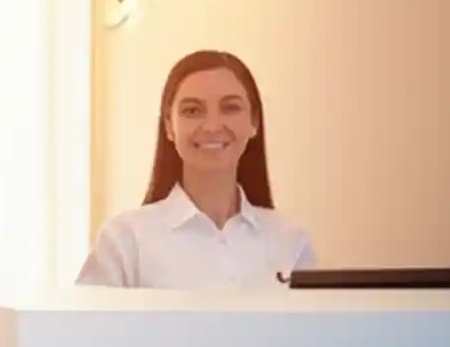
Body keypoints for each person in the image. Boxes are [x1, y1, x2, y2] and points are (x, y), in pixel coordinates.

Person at [77, 50, 315, 289]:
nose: (212, 126)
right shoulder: (125, 240)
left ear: (254, 122)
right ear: (169, 127)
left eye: (230, 108)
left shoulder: (291, 241)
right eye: (192, 111)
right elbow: (84, 326)